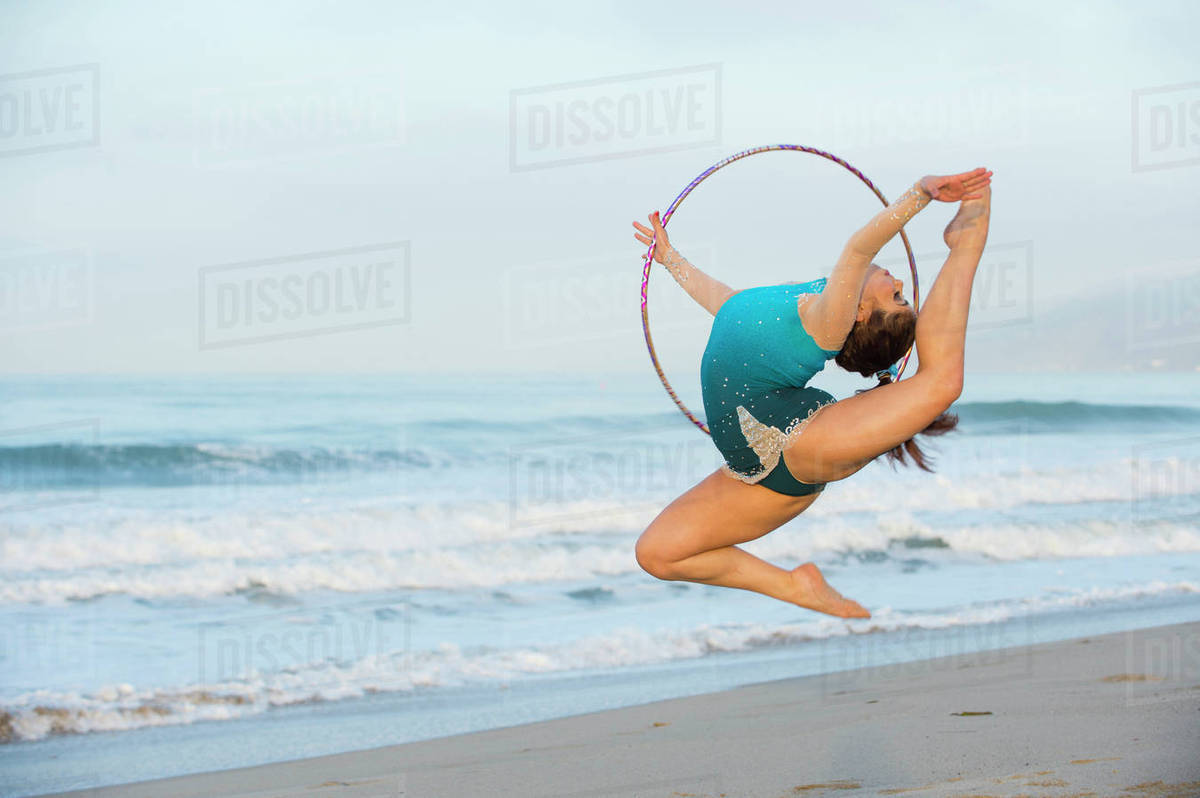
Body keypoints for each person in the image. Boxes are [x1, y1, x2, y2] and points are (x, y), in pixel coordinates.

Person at [631, 169, 993, 619]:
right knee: (658, 553)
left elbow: (859, 248)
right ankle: (798, 586)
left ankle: (969, 234)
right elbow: (728, 308)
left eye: (896, 298)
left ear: (859, 313)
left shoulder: (831, 319)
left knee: (942, 382)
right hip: (753, 470)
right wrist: (672, 260)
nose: (900, 285)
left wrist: (920, 194)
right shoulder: (804, 300)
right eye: (903, 295)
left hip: (799, 444)